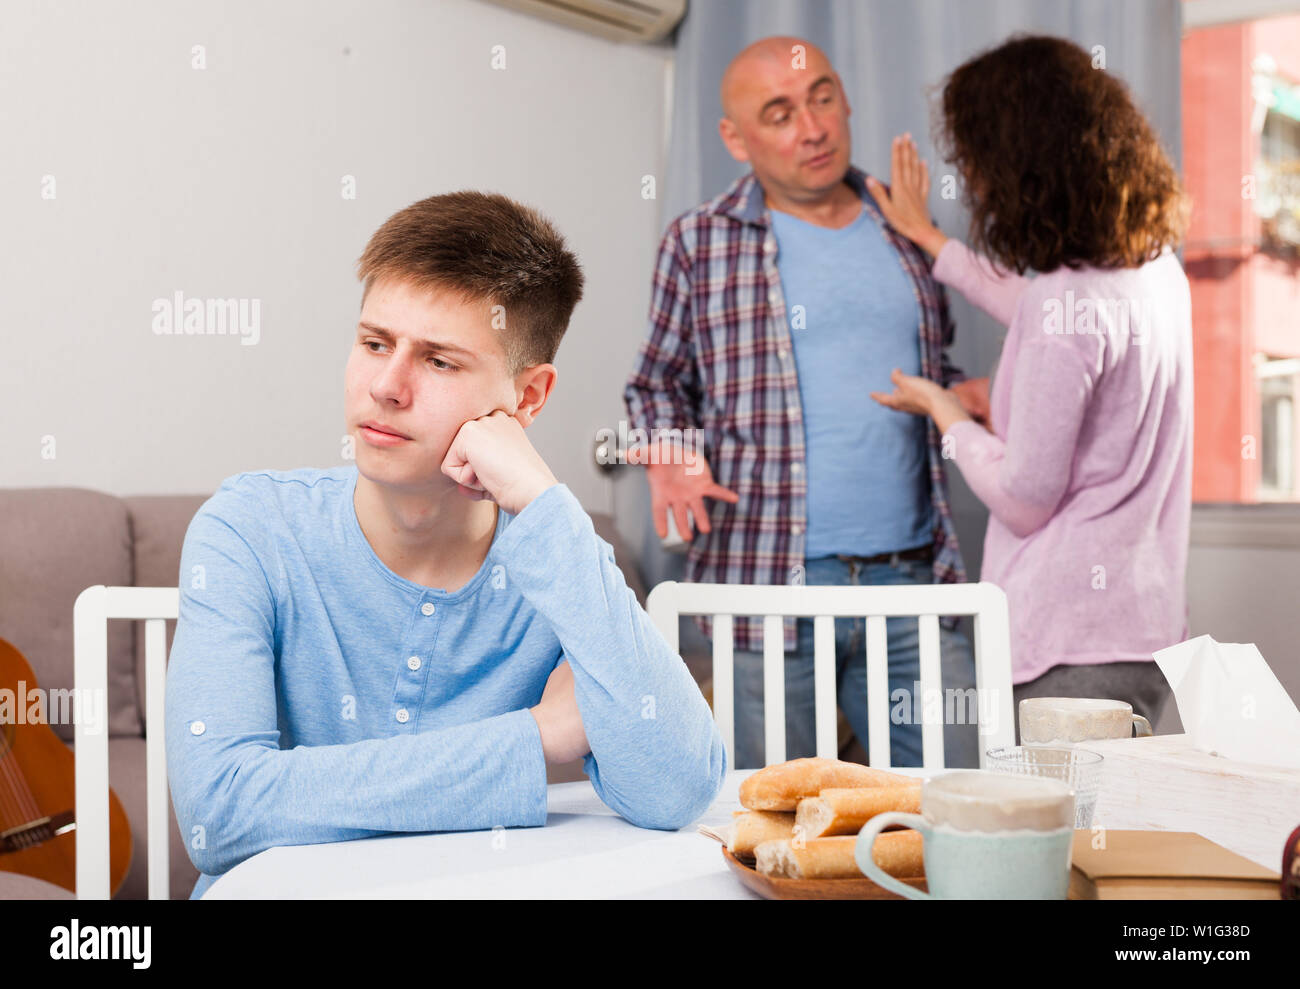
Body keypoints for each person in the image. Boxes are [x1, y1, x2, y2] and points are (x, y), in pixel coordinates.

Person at [166, 192, 726, 899]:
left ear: (527, 398)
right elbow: (219, 813)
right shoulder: (250, 525)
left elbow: (676, 787)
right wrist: (536, 737)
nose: (386, 387)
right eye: (374, 343)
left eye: (438, 361)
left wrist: (544, 503)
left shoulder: (555, 553)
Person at [624, 36, 989, 770]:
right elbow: (656, 382)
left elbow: (934, 371)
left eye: (822, 97)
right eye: (780, 114)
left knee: (957, 807)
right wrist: (666, 455)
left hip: (913, 582)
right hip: (766, 587)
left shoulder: (906, 227)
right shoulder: (700, 242)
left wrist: (987, 396)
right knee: (775, 825)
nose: (813, 128)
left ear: (845, 98)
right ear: (736, 137)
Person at [868, 34, 1191, 734]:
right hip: (1141, 634)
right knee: (1098, 844)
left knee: (1051, 844)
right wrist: (934, 243)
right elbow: (1048, 314)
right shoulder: (1154, 269)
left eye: (977, 162)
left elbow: (1022, 499)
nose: (975, 182)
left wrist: (945, 410)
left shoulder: (1062, 307)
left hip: (1068, 648)